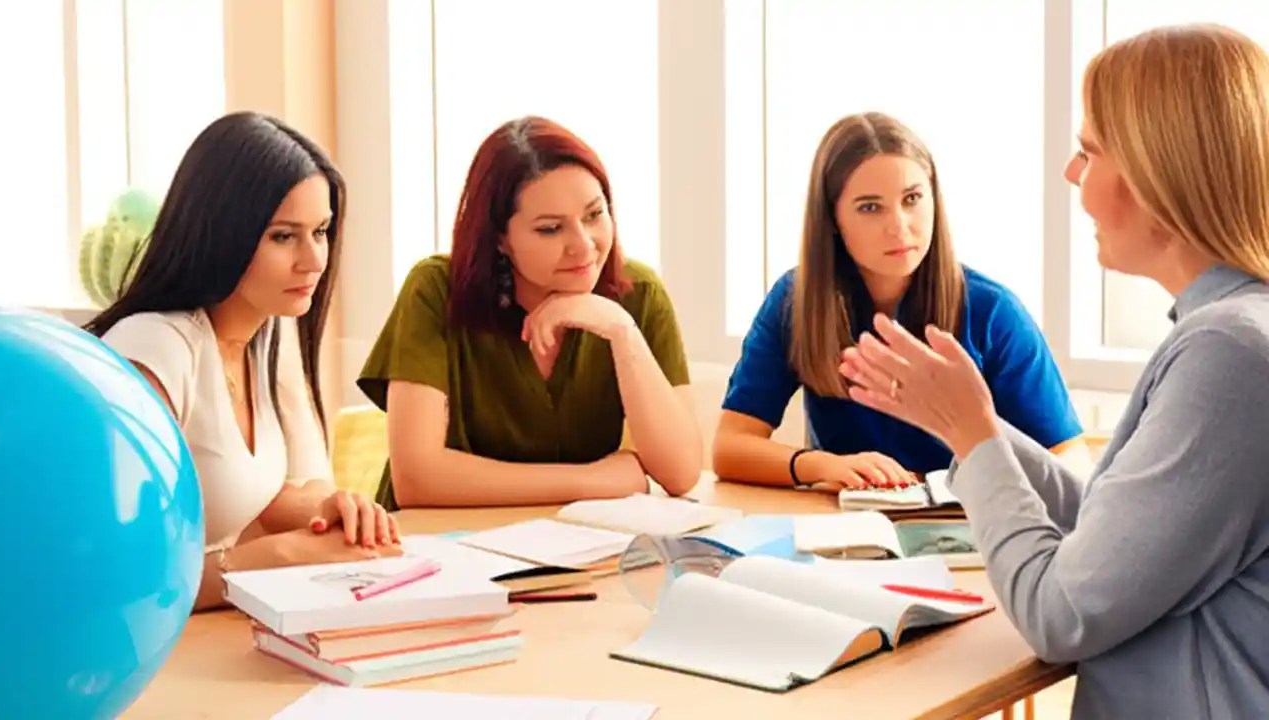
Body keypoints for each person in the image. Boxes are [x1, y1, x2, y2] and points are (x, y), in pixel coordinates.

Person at [839, 24, 1269, 719]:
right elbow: (1112, 535)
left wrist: (975, 436)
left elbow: (1061, 613)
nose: (1073, 174)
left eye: (1089, 151)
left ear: (1161, 174)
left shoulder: (1230, 356)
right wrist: (968, 426)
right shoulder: (1232, 331)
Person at [87, 111, 401, 612]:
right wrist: (277, 555)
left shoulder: (269, 329)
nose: (314, 259)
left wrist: (331, 511)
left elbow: (265, 492)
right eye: (283, 236)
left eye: (320, 231)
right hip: (148, 648)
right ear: (221, 232)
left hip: (219, 629)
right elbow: (124, 578)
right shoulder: (154, 348)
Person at [714, 112, 1087, 492]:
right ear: (832, 220)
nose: (900, 226)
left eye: (912, 199)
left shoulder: (992, 311)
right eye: (870, 208)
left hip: (967, 527)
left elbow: (1070, 459)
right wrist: (824, 465)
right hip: (845, 530)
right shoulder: (795, 301)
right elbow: (729, 448)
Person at [359, 116, 702, 508]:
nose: (584, 246)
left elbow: (681, 473)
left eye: (594, 215)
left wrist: (621, 330)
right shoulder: (435, 290)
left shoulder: (637, 293)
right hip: (437, 549)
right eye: (550, 229)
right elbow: (417, 480)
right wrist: (590, 481)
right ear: (500, 239)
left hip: (572, 552)